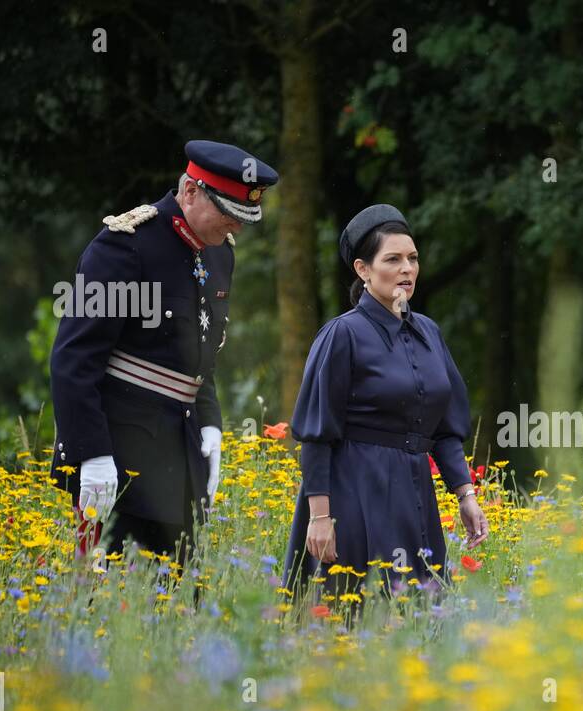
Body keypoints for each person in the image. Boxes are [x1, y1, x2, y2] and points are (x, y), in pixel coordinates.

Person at [49, 140, 279, 571]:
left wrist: (210, 426)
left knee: (176, 608)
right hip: (118, 460)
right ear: (190, 191)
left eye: (243, 217)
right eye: (228, 213)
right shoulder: (125, 246)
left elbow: (200, 354)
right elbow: (74, 361)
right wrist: (92, 454)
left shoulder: (219, 253)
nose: (237, 227)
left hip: (180, 460)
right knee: (104, 602)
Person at [283, 203, 489, 601]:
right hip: (354, 493)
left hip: (416, 495)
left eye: (412, 258)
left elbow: (446, 431)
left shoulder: (430, 333)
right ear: (363, 270)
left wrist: (466, 496)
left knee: (419, 614)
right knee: (354, 613)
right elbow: (316, 434)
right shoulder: (341, 335)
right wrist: (320, 517)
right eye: (392, 259)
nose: (407, 269)